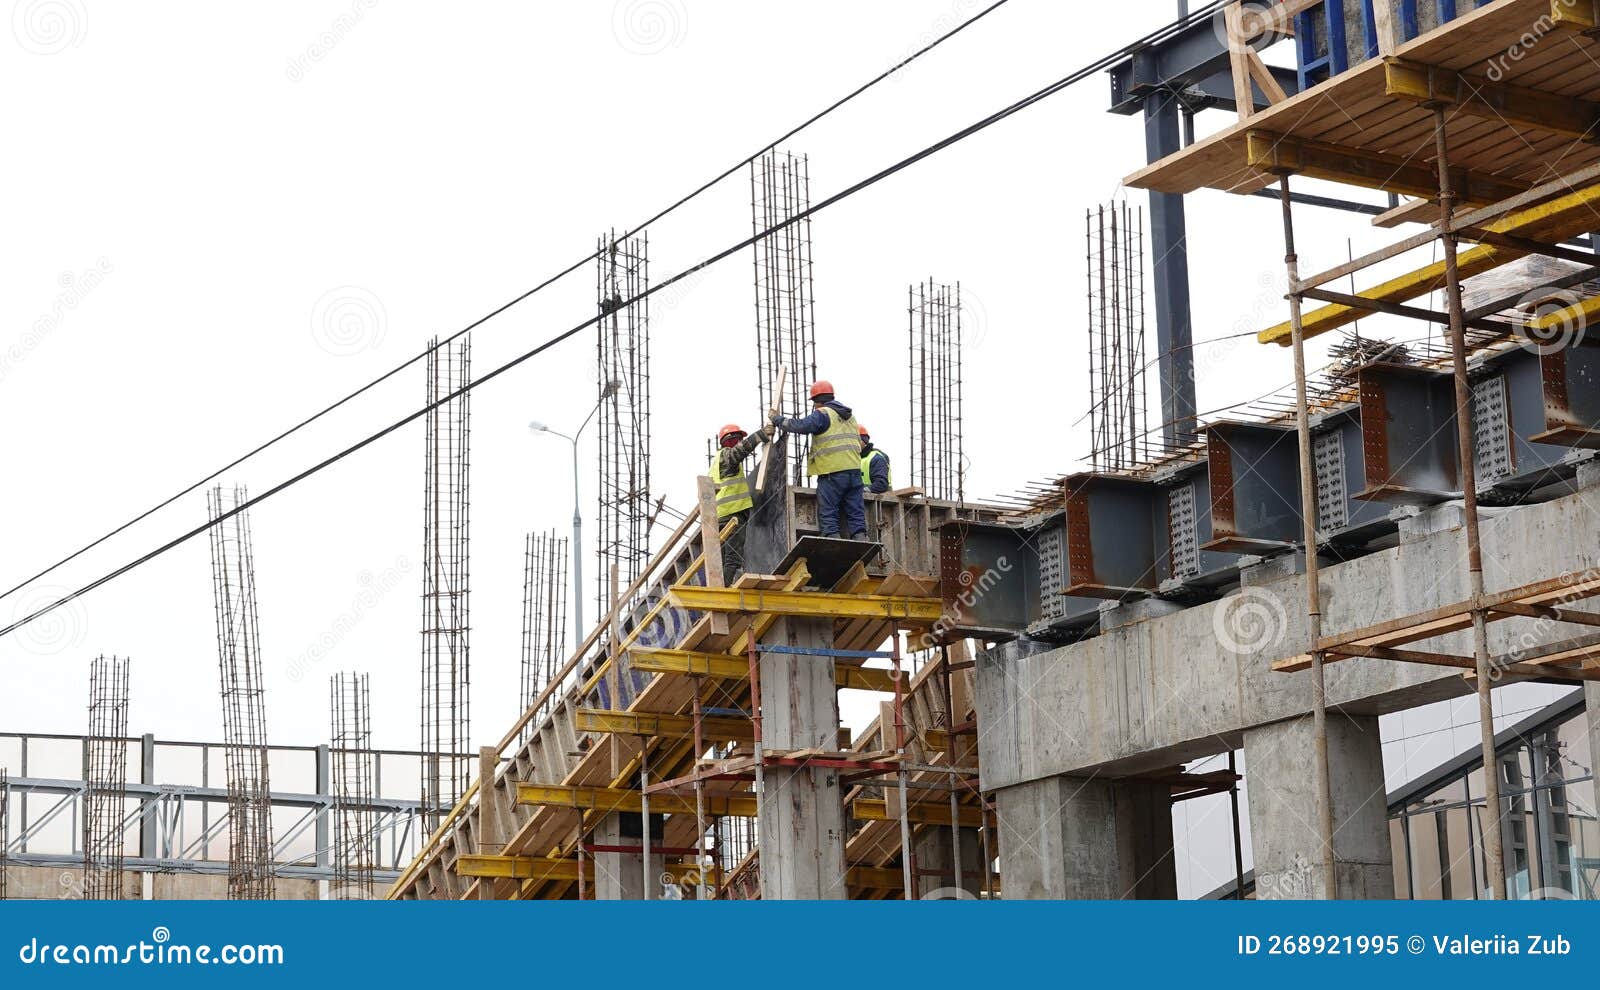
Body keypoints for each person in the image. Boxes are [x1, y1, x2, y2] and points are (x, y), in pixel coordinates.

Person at [771, 380, 867, 540]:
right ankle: (861, 539)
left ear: (816, 401)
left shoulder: (822, 414)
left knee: (828, 511)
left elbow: (800, 426)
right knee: (855, 511)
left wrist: (777, 420)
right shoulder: (850, 417)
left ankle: (833, 542)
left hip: (832, 472)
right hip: (854, 472)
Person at [709, 422, 770, 577]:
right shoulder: (726, 456)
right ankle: (724, 592)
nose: (740, 442)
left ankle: (721, 587)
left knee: (723, 560)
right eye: (738, 439)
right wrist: (760, 435)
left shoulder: (716, 462)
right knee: (733, 560)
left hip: (721, 515)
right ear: (729, 440)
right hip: (732, 515)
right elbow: (740, 451)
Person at [858, 425, 891, 494]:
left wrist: (861, 490)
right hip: (859, 500)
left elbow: (881, 484)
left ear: (863, 441)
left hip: (878, 501)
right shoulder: (852, 459)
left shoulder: (876, 458)